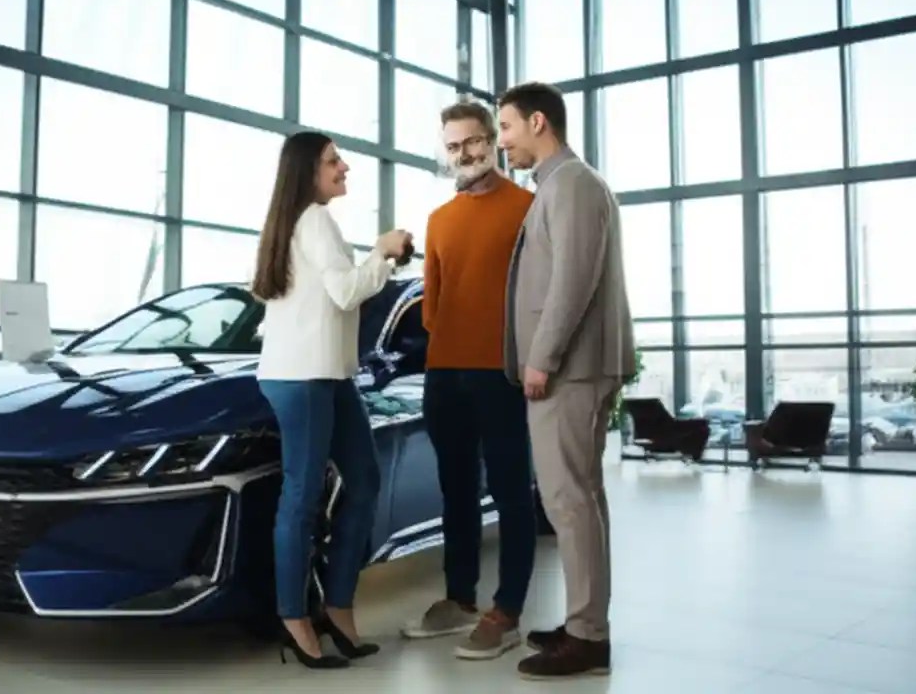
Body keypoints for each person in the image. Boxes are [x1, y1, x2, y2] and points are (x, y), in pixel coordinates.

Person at [252, 130, 414, 670]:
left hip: (329, 374)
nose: (344, 167)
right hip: (304, 378)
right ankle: (293, 617)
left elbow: (334, 300)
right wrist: (384, 251)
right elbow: (347, 291)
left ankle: (336, 606)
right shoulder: (314, 220)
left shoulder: (304, 223)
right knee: (301, 497)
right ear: (307, 171)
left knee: (364, 479)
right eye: (332, 160)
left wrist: (376, 262)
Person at [496, 82, 636, 680]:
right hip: (575, 367)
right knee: (579, 498)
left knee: (568, 501)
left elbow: (572, 280)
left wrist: (542, 357)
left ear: (536, 122)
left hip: (571, 369)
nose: (502, 143)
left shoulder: (573, 183)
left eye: (504, 128)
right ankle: (584, 623)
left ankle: (588, 637)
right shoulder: (560, 185)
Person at [400, 101, 537, 661]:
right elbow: (431, 307)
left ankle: (506, 613)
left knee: (510, 492)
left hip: (503, 371)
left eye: (475, 141)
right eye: (454, 146)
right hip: (445, 373)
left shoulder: (529, 208)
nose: (466, 153)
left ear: (493, 141)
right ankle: (459, 600)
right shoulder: (439, 220)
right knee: (455, 490)